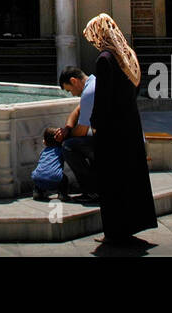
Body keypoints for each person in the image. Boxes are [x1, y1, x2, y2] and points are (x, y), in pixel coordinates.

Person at [83, 13, 157, 246]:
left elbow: (103, 99)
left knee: (113, 180)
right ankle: (133, 223)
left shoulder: (105, 59)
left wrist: (95, 124)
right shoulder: (127, 56)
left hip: (113, 130)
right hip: (130, 125)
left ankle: (114, 231)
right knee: (131, 176)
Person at [55, 66, 98, 199]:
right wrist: (67, 128)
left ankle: (91, 191)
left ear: (74, 81)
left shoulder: (89, 93)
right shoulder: (94, 83)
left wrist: (65, 136)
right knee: (86, 139)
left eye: (69, 90)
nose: (72, 94)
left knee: (68, 146)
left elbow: (81, 131)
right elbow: (77, 110)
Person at [31, 127, 68, 201]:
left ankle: (37, 192)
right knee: (64, 179)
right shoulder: (60, 150)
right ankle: (62, 194)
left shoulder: (43, 151)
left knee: (39, 174)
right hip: (55, 179)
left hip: (37, 178)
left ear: (44, 142)